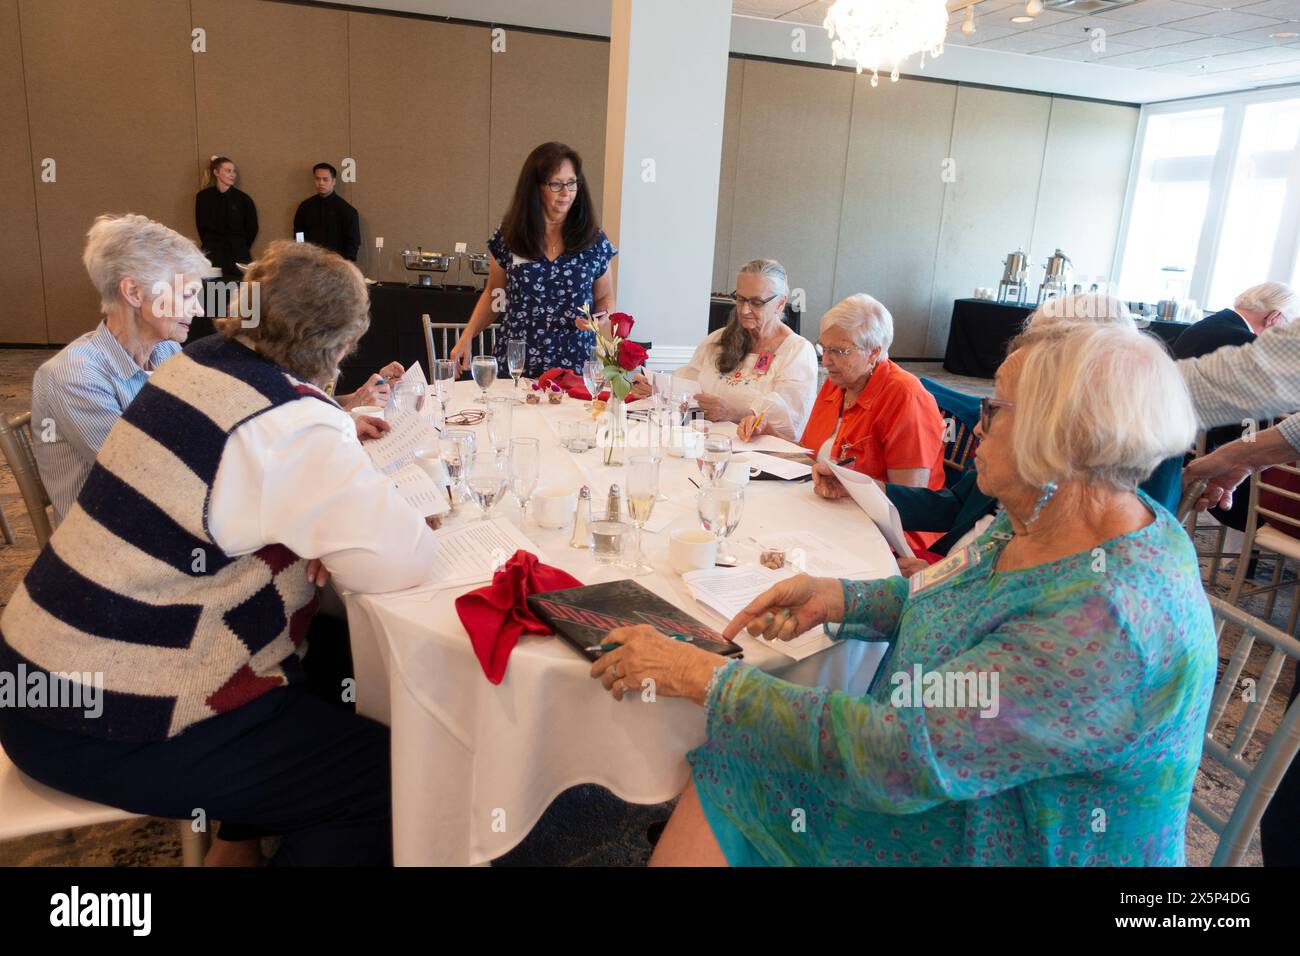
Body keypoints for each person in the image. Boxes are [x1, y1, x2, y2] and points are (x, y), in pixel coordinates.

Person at [589, 321, 1214, 866]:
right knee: (741, 756)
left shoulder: (1102, 623)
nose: (979, 428)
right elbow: (960, 592)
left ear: (1060, 441)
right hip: (960, 785)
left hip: (1002, 836)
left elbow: (895, 754)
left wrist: (701, 676)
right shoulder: (1047, 515)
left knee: (739, 759)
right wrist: (842, 598)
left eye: (995, 411)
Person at [0, 241, 439, 866]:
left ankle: (234, 847)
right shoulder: (293, 424)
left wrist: (314, 525)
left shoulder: (197, 363)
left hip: (35, 676)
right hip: (104, 721)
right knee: (385, 781)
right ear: (340, 347)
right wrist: (336, 525)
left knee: (336, 661)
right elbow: (403, 561)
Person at [888, 292, 1157, 573]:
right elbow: (959, 504)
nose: (980, 428)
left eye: (1044, 345)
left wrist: (942, 581)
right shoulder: (1017, 428)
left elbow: (1037, 586)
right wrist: (869, 491)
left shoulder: (1110, 482)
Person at [31, 214, 208, 524]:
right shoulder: (74, 375)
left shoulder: (165, 349)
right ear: (134, 293)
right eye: (186, 295)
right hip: (105, 539)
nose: (199, 309)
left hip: (161, 516)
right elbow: (143, 474)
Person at [449, 142, 616, 379]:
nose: (566, 193)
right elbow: (495, 295)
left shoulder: (594, 240)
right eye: (556, 184)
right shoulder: (510, 235)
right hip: (517, 364)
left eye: (572, 183)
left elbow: (605, 298)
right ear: (535, 188)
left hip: (574, 366)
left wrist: (599, 321)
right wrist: (467, 335)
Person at [800, 294, 945, 551]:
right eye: (824, 347)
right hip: (833, 512)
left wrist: (850, 488)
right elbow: (810, 454)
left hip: (889, 536)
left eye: (839, 351)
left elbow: (910, 497)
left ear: (874, 352)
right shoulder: (839, 382)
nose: (826, 360)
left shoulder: (905, 397)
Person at [633, 259, 816, 442]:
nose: (744, 310)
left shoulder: (796, 351)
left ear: (780, 303)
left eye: (756, 302)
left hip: (756, 453)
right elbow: (688, 385)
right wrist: (658, 389)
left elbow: (790, 424)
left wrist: (732, 413)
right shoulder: (718, 339)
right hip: (702, 442)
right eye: (741, 299)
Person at [1172, 281, 1299, 534]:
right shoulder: (1246, 342)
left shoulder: (1204, 327)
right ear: (1274, 318)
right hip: (1223, 466)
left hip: (1188, 448)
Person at [194, 156, 258, 278]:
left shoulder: (243, 199)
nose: (232, 174)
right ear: (216, 173)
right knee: (213, 292)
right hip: (212, 252)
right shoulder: (203, 197)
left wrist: (240, 246)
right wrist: (211, 243)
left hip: (238, 253)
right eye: (228, 171)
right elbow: (201, 226)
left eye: (233, 171)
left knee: (241, 291)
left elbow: (252, 228)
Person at [293, 163, 361, 262]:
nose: (321, 183)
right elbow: (298, 233)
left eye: (325, 179)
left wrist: (346, 263)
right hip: (309, 263)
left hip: (336, 264)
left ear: (333, 181)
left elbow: (353, 242)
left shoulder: (347, 210)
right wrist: (301, 255)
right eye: (317, 179)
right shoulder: (304, 207)